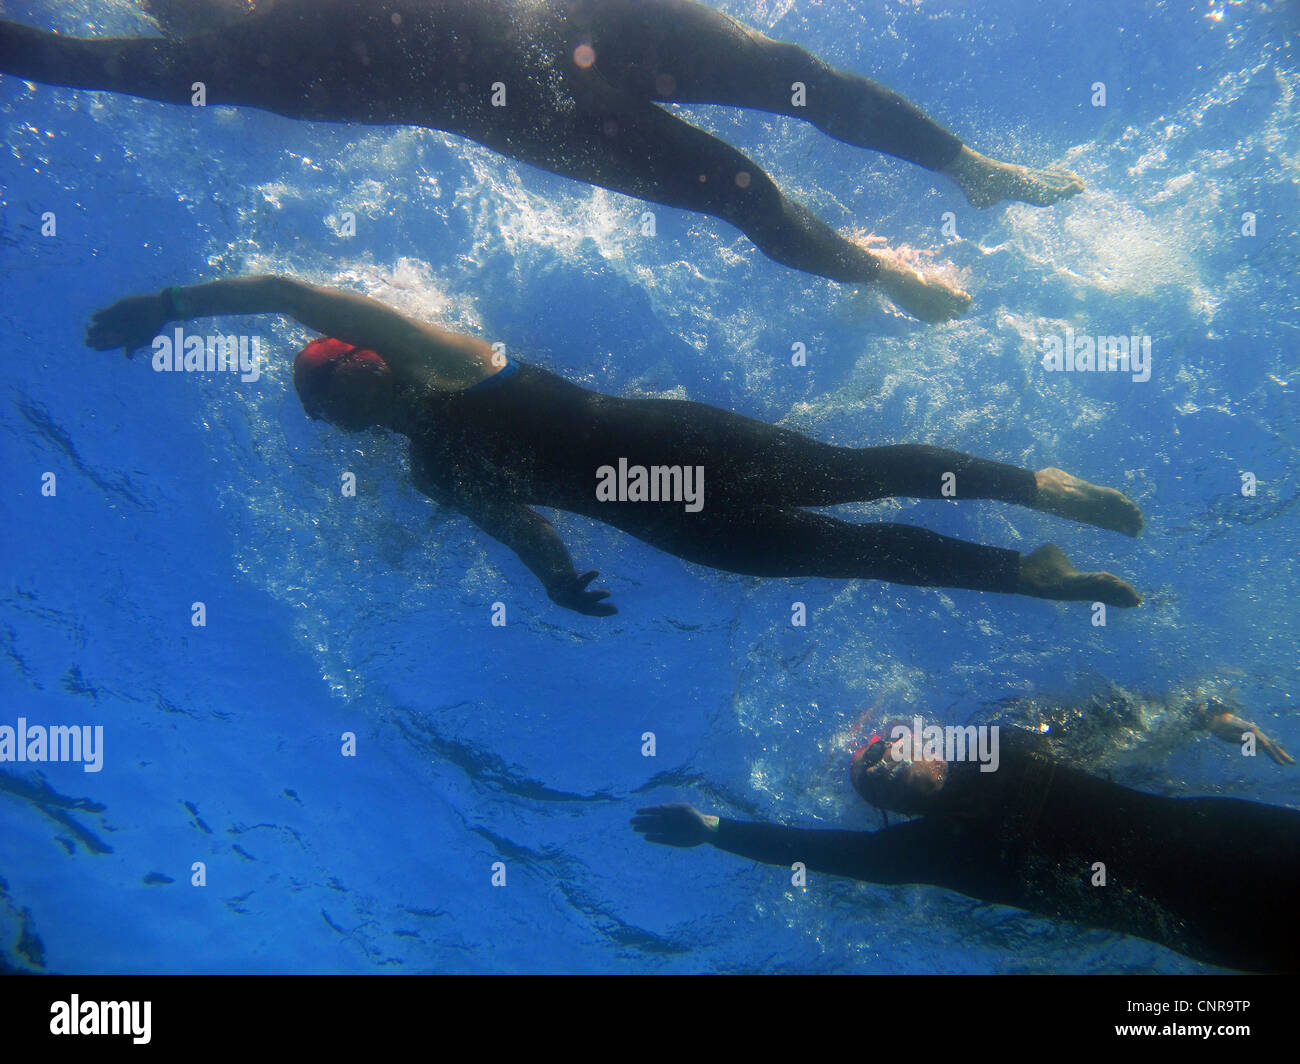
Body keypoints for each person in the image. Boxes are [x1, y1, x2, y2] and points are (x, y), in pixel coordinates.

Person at [86, 275, 1143, 615]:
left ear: (369, 355)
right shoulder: (428, 464)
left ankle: (1034, 486)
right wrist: (553, 583)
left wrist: (172, 306)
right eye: (324, 391)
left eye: (340, 364)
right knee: (851, 549)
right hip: (671, 519)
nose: (342, 383)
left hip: (669, 447)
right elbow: (520, 525)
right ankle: (1030, 571)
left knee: (857, 476)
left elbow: (283, 290)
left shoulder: (447, 356)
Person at [3, 0, 1085, 322]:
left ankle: (970, 169)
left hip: (567, 17)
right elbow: (60, 58)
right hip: (521, 105)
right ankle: (885, 274)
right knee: (739, 196)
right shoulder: (233, 66)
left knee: (787, 70)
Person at [632, 717, 1300, 972]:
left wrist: (1206, 717)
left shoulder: (1001, 745)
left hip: (1242, 837)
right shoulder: (928, 851)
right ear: (887, 807)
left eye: (886, 746)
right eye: (872, 778)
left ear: (925, 734)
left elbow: (1122, 724)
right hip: (1220, 930)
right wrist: (714, 831)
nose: (883, 765)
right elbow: (813, 849)